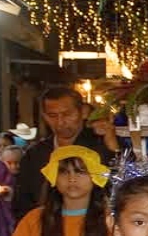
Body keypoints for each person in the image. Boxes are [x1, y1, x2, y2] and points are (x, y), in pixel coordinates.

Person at [12, 88, 116, 222]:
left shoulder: (102, 145)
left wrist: (113, 147)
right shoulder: (35, 154)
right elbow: (22, 202)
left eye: (67, 114)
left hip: (94, 228)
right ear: (44, 116)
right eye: (53, 116)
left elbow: (123, 187)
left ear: (83, 112)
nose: (60, 122)